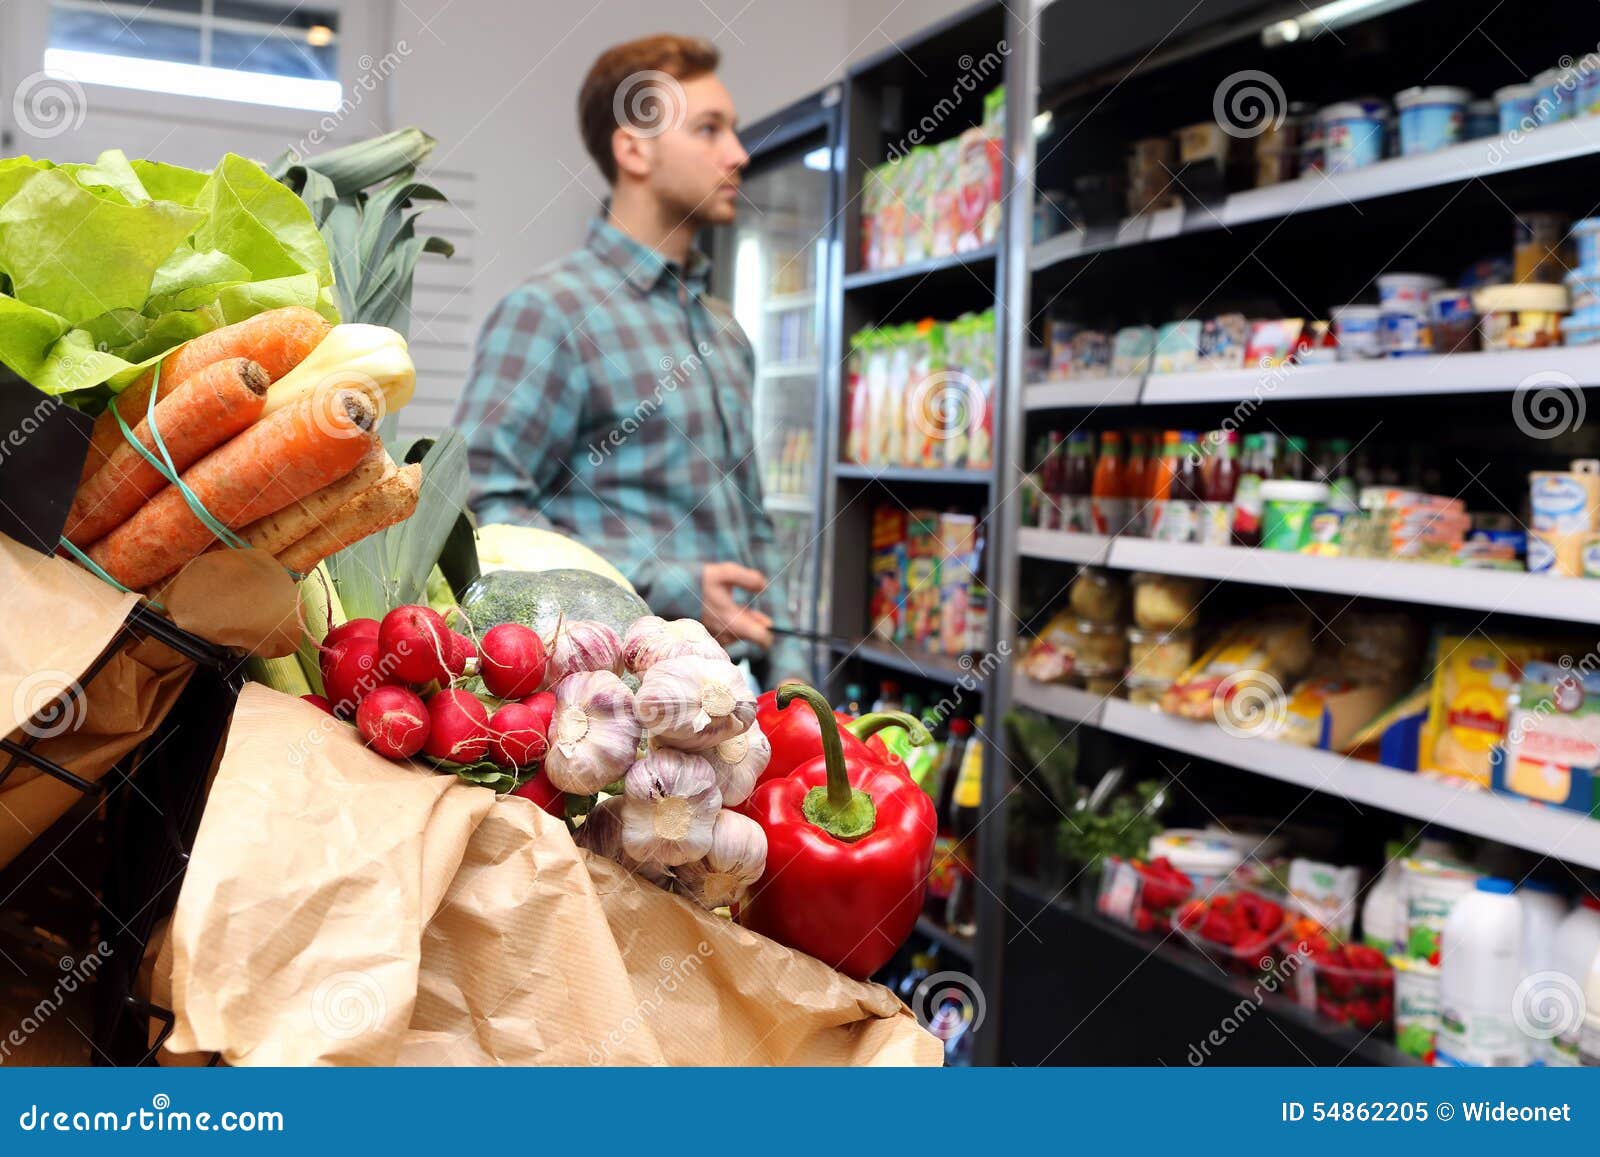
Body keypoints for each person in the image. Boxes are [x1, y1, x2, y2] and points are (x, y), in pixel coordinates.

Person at [454, 33, 807, 682]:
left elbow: (753, 519)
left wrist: (792, 671)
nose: (739, 153)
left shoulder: (726, 332)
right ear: (633, 149)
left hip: (738, 697)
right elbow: (484, 508)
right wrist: (668, 583)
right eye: (709, 129)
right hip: (614, 706)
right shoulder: (549, 313)